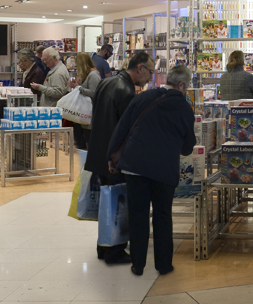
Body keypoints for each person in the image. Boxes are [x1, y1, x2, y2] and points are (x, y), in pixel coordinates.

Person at [107, 63, 196, 276]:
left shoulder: (143, 97)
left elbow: (122, 127)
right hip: (164, 169)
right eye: (187, 86)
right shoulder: (184, 108)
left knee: (138, 215)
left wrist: (111, 156)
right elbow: (187, 147)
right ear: (181, 84)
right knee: (162, 215)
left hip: (135, 166)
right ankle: (163, 265)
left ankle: (137, 264)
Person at [85, 50, 155, 263]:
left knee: (107, 202)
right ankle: (114, 250)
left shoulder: (107, 82)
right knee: (118, 204)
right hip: (115, 159)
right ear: (140, 68)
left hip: (99, 152)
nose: (151, 77)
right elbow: (126, 131)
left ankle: (104, 246)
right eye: (150, 72)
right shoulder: (126, 91)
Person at [67, 52, 100, 149]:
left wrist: (78, 87)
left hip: (90, 113)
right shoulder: (86, 75)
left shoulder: (93, 75)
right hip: (83, 114)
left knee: (89, 140)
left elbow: (94, 93)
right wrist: (77, 85)